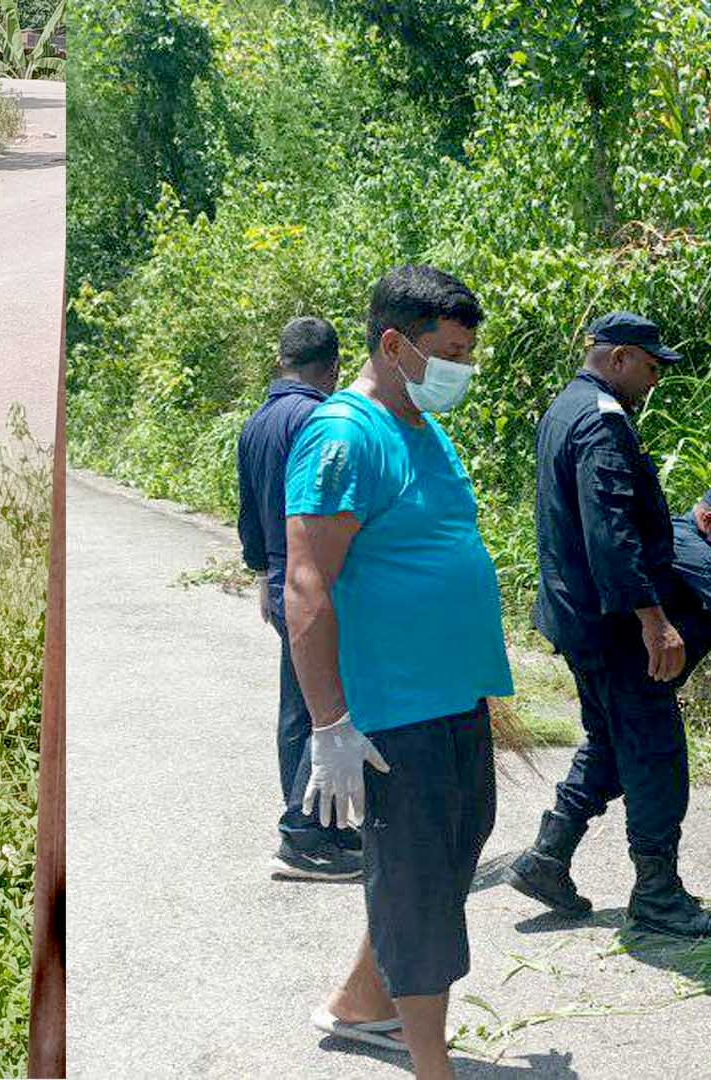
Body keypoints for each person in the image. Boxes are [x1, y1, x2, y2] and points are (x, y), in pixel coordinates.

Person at [282, 265, 512, 1079]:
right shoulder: (344, 435)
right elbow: (307, 581)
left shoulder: (423, 426)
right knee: (418, 883)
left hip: (452, 695)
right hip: (395, 709)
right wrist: (331, 725)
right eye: (450, 352)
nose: (464, 368)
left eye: (468, 352)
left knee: (453, 851)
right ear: (393, 342)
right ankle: (430, 1063)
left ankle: (359, 1004)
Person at [508, 313, 711, 938]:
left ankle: (547, 856)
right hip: (613, 625)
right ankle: (658, 894)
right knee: (658, 752)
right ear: (617, 358)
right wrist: (653, 620)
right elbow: (610, 530)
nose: (656, 378)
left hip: (578, 617)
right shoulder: (602, 422)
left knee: (613, 743)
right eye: (651, 366)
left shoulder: (565, 408)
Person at [235, 315, 359, 880]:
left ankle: (324, 826)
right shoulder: (316, 418)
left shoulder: (257, 422)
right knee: (323, 703)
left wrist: (262, 574)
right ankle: (304, 834)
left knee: (299, 703)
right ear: (333, 367)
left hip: (283, 576)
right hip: (314, 576)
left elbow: (247, 510)